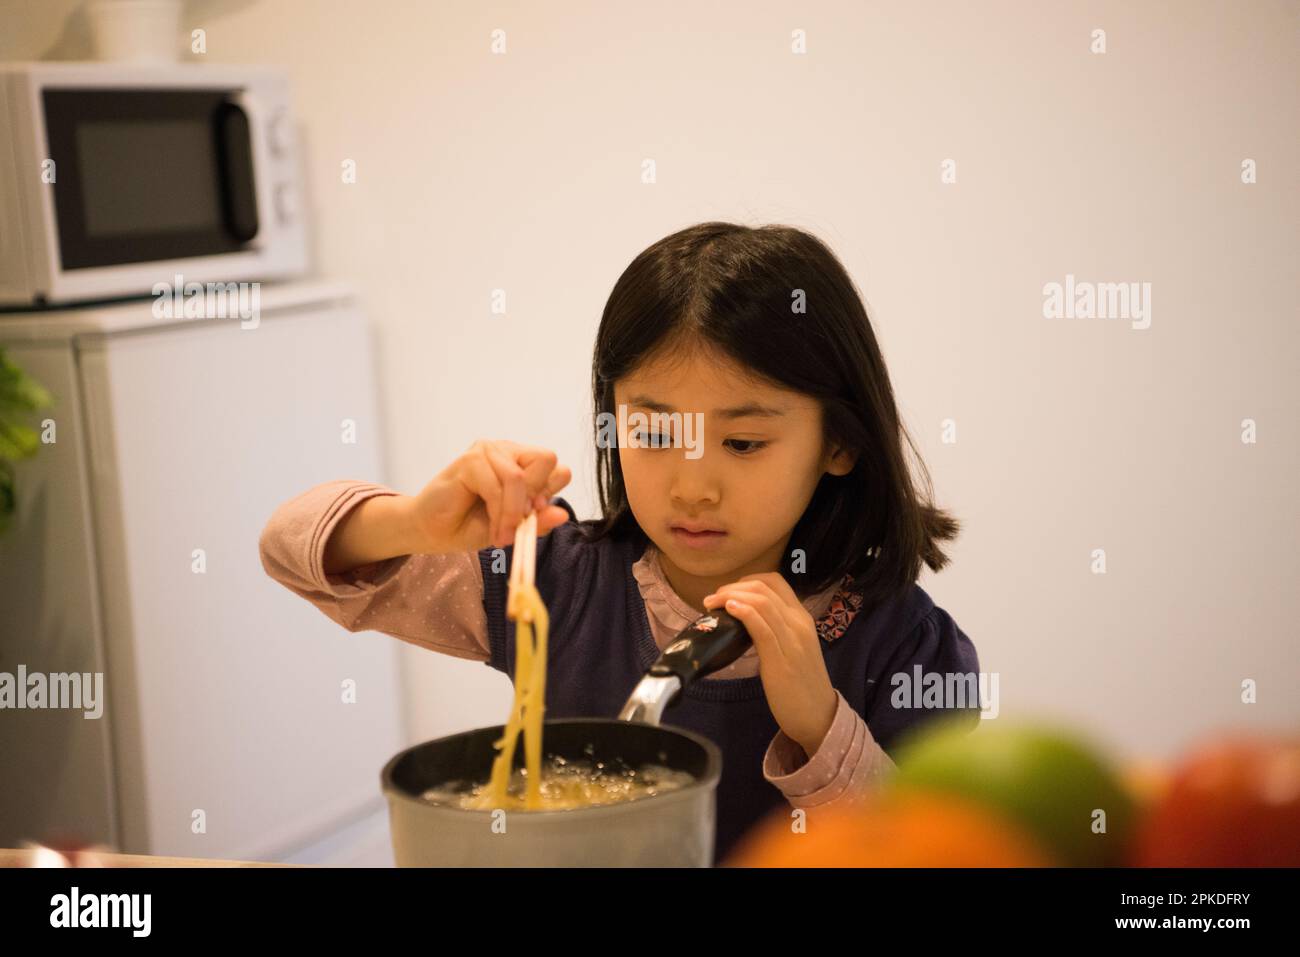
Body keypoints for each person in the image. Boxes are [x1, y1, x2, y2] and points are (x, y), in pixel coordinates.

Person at [259, 221, 982, 864]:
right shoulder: (555, 580)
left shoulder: (906, 645)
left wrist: (821, 725)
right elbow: (289, 549)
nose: (692, 485)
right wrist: (414, 521)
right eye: (656, 432)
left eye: (743, 440)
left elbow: (945, 851)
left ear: (839, 443)